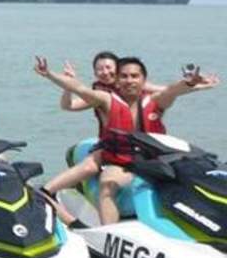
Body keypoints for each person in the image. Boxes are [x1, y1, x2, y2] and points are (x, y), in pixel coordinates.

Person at [33, 56, 219, 225]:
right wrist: (49, 74)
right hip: (121, 159)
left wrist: (190, 82)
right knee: (107, 184)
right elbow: (79, 88)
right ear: (117, 81)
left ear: (143, 80)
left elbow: (173, 90)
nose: (129, 81)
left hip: (153, 160)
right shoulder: (107, 99)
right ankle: (109, 233)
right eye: (124, 76)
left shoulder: (156, 101)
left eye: (134, 76)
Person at [42, 52, 164, 198]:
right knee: (89, 167)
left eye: (108, 67)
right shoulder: (100, 95)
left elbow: (166, 91)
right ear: (95, 73)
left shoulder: (135, 86)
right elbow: (68, 105)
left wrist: (187, 84)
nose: (105, 72)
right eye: (100, 69)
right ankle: (44, 193)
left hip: (143, 146)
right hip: (112, 145)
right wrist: (68, 84)